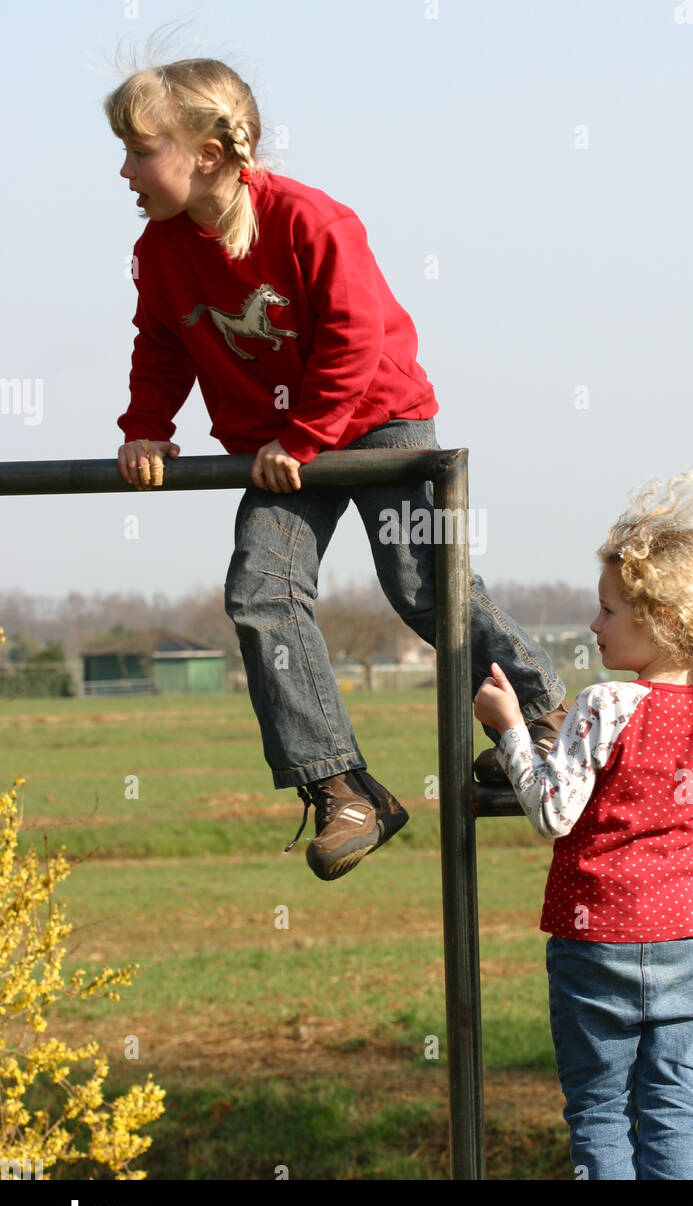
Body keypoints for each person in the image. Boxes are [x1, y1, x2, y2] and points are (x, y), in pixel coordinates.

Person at [107, 57, 567, 881]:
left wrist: (309, 436)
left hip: (376, 420)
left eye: (140, 150)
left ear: (207, 153)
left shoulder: (312, 221)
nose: (125, 170)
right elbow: (163, 343)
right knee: (260, 592)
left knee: (426, 585)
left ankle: (541, 716)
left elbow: (355, 336)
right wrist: (147, 429)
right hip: (276, 448)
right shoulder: (162, 248)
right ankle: (344, 788)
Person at [473, 470, 693, 1180]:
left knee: (599, 1109)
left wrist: (509, 732)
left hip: (596, 938)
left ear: (657, 622)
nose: (593, 627)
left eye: (607, 612)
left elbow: (552, 812)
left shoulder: (605, 705)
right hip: (686, 937)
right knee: (673, 1105)